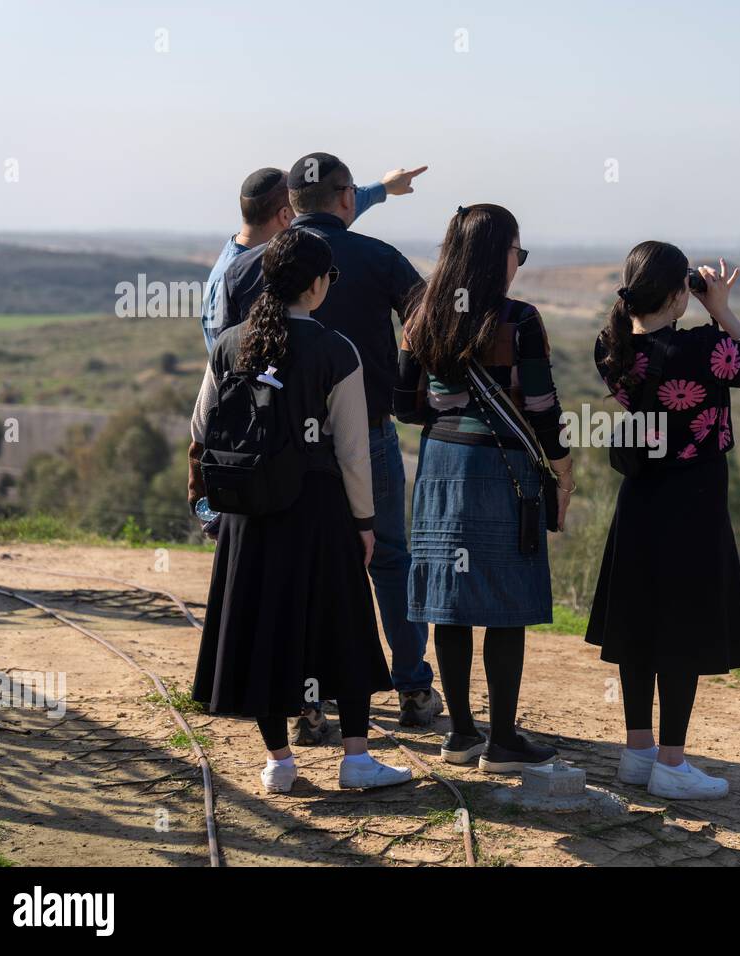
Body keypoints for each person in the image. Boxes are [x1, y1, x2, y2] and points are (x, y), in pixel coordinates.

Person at [222, 152, 440, 742]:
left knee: (300, 566)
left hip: (279, 451)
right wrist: (405, 386)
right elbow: (429, 321)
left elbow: (227, 361)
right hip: (366, 434)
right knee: (391, 559)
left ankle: (309, 702)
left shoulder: (248, 269)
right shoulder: (380, 258)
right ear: (347, 199)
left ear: (291, 205)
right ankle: (414, 685)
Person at [188, 227, 409, 793]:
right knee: (342, 624)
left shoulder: (230, 343)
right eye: (329, 277)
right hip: (318, 509)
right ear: (316, 284)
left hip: (249, 513)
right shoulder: (337, 350)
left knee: (265, 628)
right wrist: (365, 523)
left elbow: (200, 428)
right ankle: (357, 758)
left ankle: (280, 764)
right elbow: (353, 451)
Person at [586, 241, 740, 800]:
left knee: (640, 621)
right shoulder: (707, 347)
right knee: (683, 626)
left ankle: (637, 752)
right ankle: (672, 763)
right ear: (678, 294)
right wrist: (720, 308)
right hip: (694, 500)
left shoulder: (611, 347)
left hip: (640, 498)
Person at [394, 203, 575, 772]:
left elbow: (403, 405)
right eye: (517, 251)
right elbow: (543, 409)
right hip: (503, 469)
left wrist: (451, 414)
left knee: (449, 600)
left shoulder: (421, 314)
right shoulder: (519, 319)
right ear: (499, 255)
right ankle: (502, 741)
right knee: (505, 603)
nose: (519, 262)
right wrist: (563, 464)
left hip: (440, 465)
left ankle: (462, 735)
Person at [202, 163, 426, 352]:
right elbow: (223, 357)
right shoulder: (230, 274)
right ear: (286, 215)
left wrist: (384, 187)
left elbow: (327, 217)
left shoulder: (244, 267)